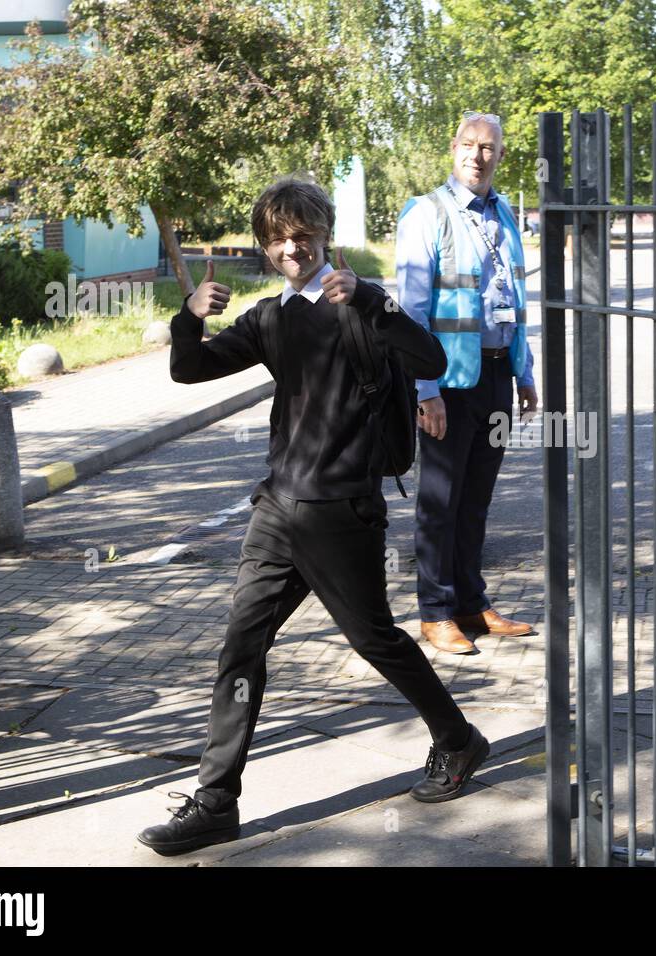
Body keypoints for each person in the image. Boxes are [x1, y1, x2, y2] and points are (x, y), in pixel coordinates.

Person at [137, 177, 490, 856]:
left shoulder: (359, 301)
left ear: (323, 233)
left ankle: (457, 738)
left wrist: (373, 302)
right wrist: (190, 315)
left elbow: (432, 358)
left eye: (303, 235)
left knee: (375, 639)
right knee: (241, 646)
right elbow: (191, 370)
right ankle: (215, 801)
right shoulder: (271, 317)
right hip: (277, 507)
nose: (292, 248)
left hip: (342, 509)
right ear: (266, 247)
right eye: (278, 238)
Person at [395, 111, 538, 654]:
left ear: (500, 156)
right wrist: (424, 390)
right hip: (448, 383)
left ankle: (471, 603)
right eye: (470, 145)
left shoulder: (505, 213)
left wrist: (523, 373)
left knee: (476, 500)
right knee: (440, 500)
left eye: (490, 148)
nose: (479, 156)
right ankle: (434, 612)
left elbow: (516, 302)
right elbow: (409, 314)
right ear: (453, 148)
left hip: (497, 374)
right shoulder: (426, 213)